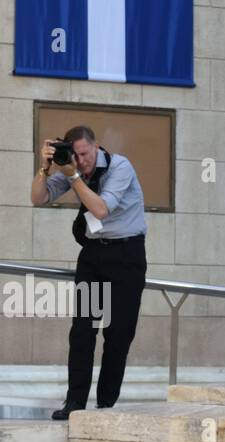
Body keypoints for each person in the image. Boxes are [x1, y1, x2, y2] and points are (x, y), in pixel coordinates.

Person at [31, 125, 148, 420]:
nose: (81, 161)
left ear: (96, 147)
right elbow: (38, 198)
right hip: (93, 256)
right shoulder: (71, 166)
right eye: (76, 155)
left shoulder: (120, 167)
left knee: (118, 334)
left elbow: (101, 209)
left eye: (84, 154)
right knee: (82, 332)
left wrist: (72, 174)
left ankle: (106, 405)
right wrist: (44, 168)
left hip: (126, 255)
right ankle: (75, 404)